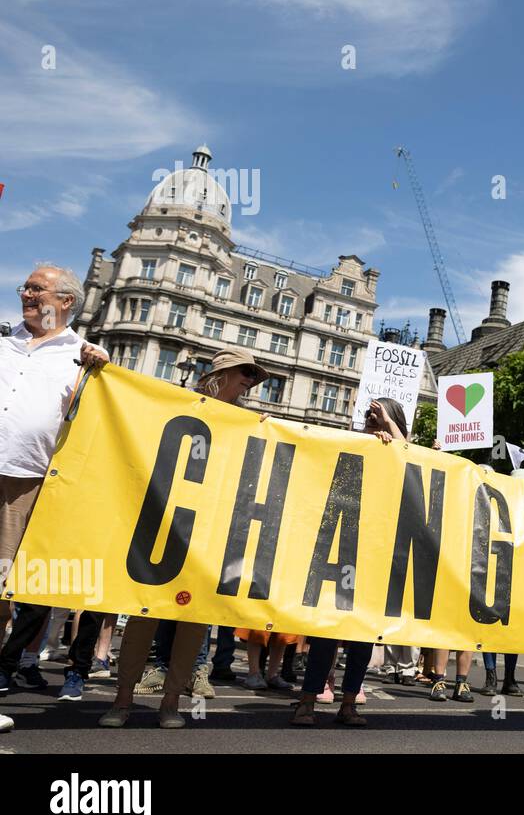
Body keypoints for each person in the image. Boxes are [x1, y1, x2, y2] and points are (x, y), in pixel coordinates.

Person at [100, 348, 269, 728]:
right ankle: (122, 700)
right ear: (223, 372)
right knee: (145, 614)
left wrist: (264, 430)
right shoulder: (176, 403)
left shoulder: (248, 420)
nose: (250, 381)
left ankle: (171, 704)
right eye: (245, 372)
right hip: (163, 522)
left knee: (194, 619)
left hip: (209, 530)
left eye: (254, 376)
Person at [0, 265, 108, 730]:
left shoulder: (84, 359)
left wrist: (101, 375)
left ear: (65, 301)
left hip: (24, 483)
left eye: (36, 288)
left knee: (2, 595)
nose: (25, 293)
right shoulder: (3, 342)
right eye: (25, 286)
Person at [292, 397, 407, 726]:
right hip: (339, 548)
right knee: (326, 631)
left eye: (378, 415)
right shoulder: (351, 440)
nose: (372, 420)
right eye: (369, 415)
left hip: (374, 555)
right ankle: (307, 701)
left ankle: (348, 704)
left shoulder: (393, 448)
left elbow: (409, 459)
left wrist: (389, 426)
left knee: (361, 636)